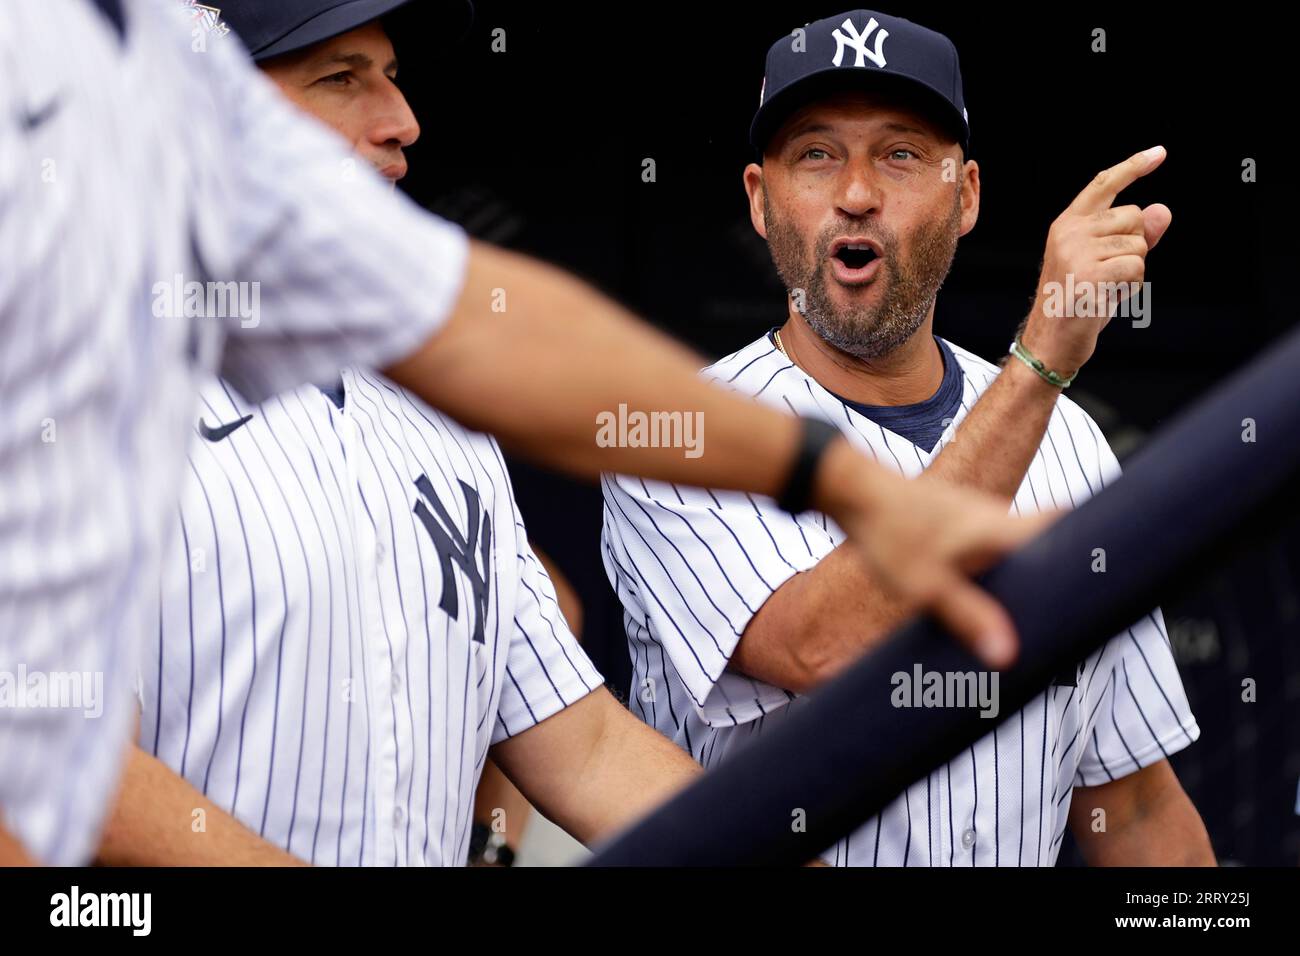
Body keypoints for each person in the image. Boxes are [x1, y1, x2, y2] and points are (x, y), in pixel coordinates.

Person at [0, 0, 1037, 865]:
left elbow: (582, 749)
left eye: (392, 74)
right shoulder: (69, 376)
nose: (401, 118)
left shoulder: (446, 424)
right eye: (339, 80)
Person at [601, 9, 1214, 866]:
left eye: (900, 153)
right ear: (760, 198)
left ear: (964, 196)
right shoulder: (681, 435)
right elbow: (821, 643)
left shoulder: (1072, 444)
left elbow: (1138, 804)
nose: (856, 193)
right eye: (816, 154)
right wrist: (1040, 360)